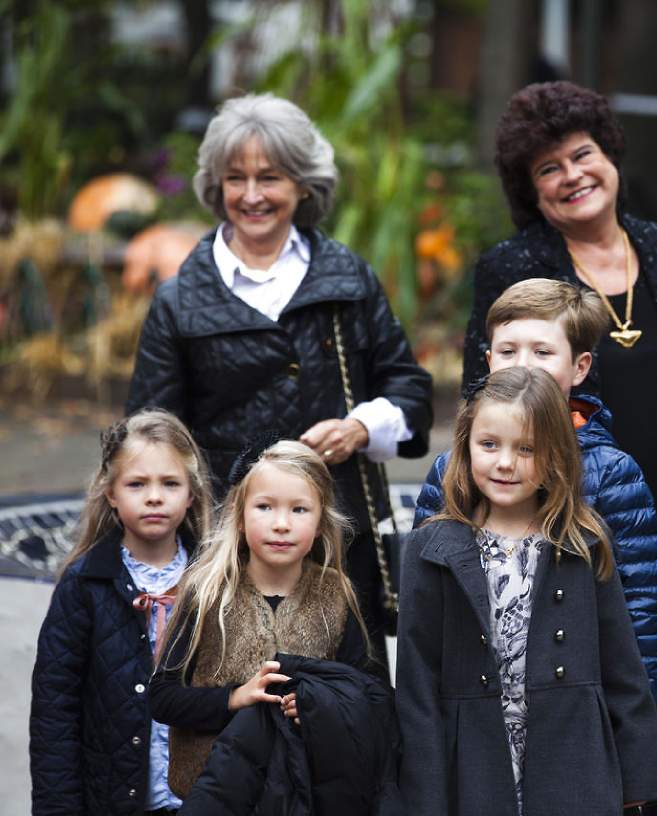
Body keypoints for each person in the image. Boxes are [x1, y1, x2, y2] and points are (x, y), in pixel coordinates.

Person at [464, 80, 657, 813]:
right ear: (529, 189)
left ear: (610, 155)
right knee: (593, 738)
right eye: (548, 169)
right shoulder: (512, 269)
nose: (572, 175)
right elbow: (491, 406)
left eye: (582, 155)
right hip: (568, 545)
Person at [126, 93, 433, 673]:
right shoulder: (178, 300)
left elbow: (411, 392)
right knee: (232, 727)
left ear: (303, 184)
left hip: (339, 548)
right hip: (227, 554)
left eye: (270, 176)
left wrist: (362, 426)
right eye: (234, 177)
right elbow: (149, 437)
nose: (251, 195)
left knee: (345, 720)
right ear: (215, 187)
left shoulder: (348, 278)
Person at [397, 366, 657, 815]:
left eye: (527, 449)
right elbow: (416, 688)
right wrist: (424, 794)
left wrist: (636, 778)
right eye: (489, 445)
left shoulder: (583, 543)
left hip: (573, 762)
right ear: (465, 444)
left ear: (556, 454)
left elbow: (624, 670)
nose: (505, 462)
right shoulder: (430, 548)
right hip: (470, 768)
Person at [416, 277, 657, 700]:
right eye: (508, 351)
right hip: (473, 700)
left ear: (580, 367)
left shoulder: (611, 472)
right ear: (488, 359)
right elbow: (424, 603)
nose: (523, 365)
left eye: (543, 352)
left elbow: (640, 605)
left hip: (575, 702)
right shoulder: (453, 468)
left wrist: (630, 716)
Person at [149, 439, 376, 799]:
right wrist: (234, 698)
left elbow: (362, 695)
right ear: (239, 517)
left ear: (320, 521)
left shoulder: (335, 594)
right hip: (215, 796)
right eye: (265, 507)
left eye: (299, 509)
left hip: (305, 795)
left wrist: (318, 709)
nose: (281, 524)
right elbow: (162, 698)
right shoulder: (207, 592)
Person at [30, 409, 213, 815]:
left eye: (170, 483)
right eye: (136, 483)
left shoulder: (215, 579)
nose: (153, 496)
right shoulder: (85, 584)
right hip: (113, 799)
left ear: (192, 493)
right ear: (111, 493)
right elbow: (54, 711)